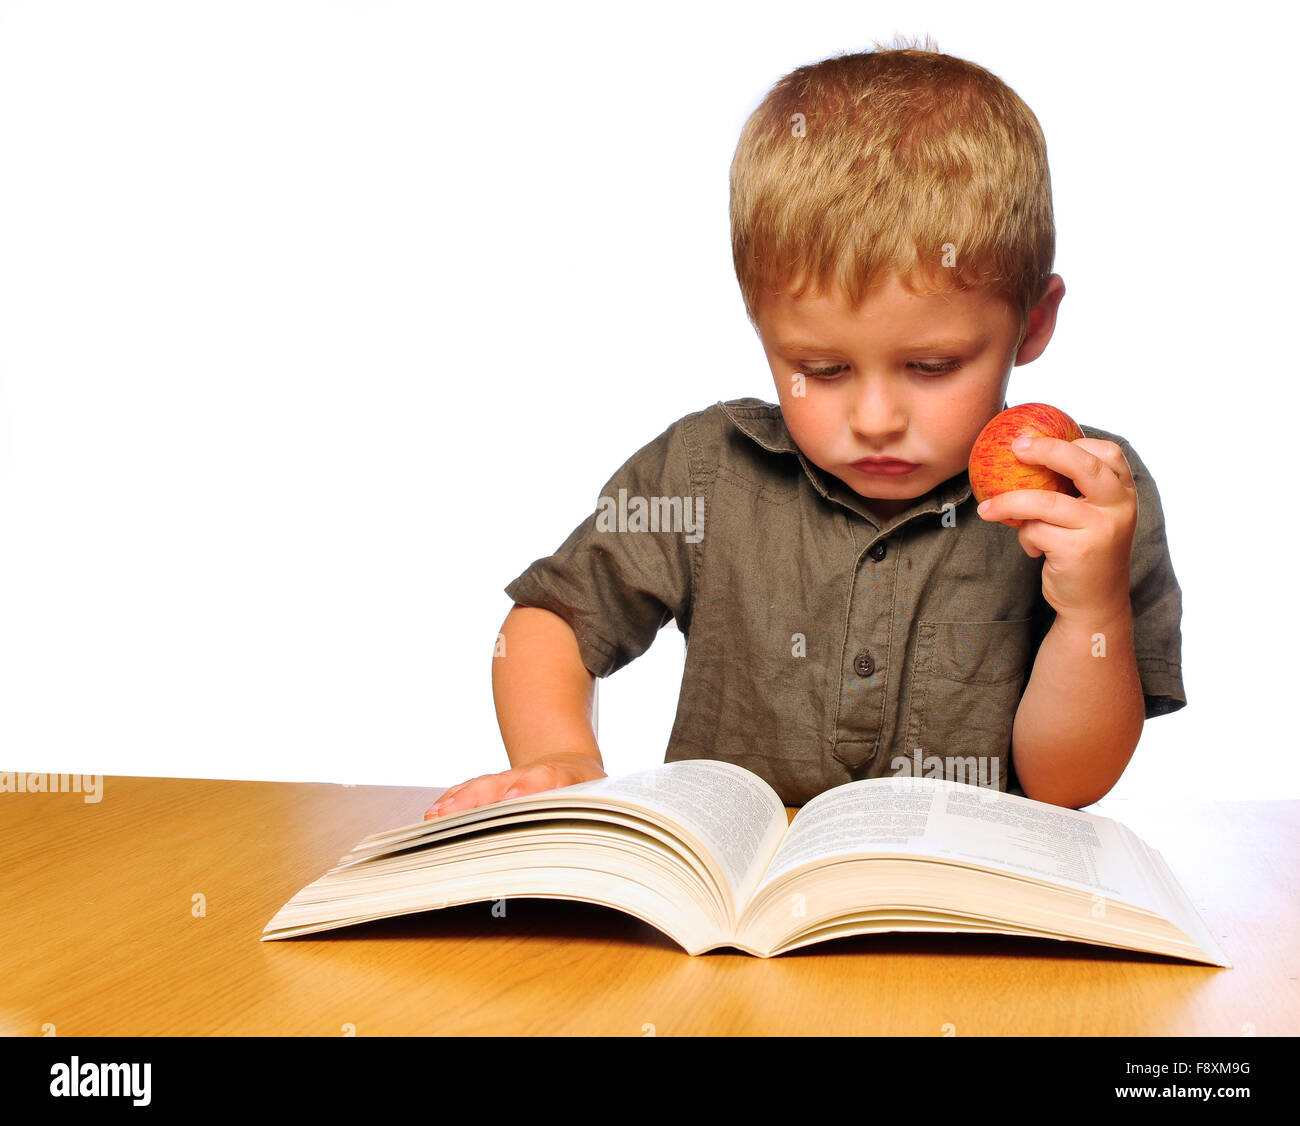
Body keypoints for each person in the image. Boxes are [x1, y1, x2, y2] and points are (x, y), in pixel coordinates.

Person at [425, 37, 1185, 820]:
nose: (876, 419)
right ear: (760, 326)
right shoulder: (705, 473)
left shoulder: (1085, 501)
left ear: (1033, 321)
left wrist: (1093, 611)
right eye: (822, 370)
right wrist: (560, 754)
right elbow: (550, 620)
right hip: (735, 927)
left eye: (931, 366)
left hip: (965, 926)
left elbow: (1068, 786)